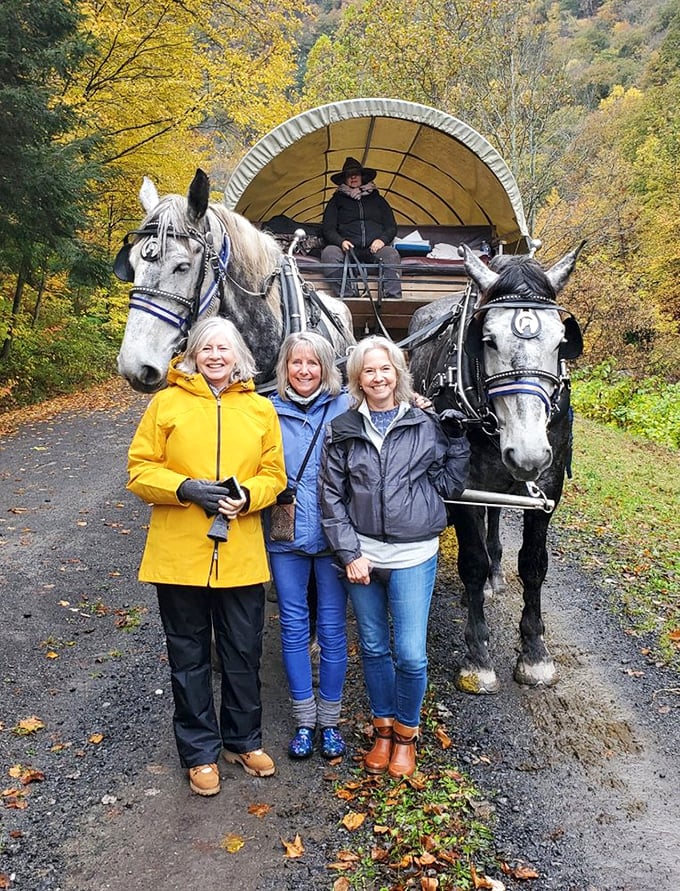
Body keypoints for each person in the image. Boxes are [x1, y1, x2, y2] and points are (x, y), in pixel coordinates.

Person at [127, 316, 287, 797]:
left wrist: (250, 496)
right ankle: (199, 752)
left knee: (243, 652)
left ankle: (243, 741)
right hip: (179, 554)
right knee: (190, 656)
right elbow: (139, 470)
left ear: (238, 356)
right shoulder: (166, 404)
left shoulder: (260, 409)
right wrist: (184, 488)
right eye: (207, 349)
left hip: (239, 553)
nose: (216, 356)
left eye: (224, 349)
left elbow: (273, 474)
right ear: (193, 355)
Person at [319, 336, 470, 778]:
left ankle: (407, 734)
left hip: (413, 556)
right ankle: (382, 729)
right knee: (372, 646)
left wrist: (458, 442)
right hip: (362, 557)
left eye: (385, 369)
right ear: (357, 379)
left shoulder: (425, 424)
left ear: (398, 374)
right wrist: (349, 552)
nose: (378, 377)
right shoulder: (344, 428)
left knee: (411, 654)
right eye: (369, 370)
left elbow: (449, 487)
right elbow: (331, 495)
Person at [265, 332, 351, 761]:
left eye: (313, 363)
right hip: (287, 538)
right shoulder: (266, 411)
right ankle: (304, 719)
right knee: (294, 627)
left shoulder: (347, 406)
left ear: (326, 367)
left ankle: (330, 721)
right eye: (296, 363)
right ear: (285, 367)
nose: (304, 370)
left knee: (333, 631)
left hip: (335, 540)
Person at [321, 156, 402, 299]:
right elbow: (328, 229)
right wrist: (341, 242)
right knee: (329, 254)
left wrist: (382, 240)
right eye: (348, 175)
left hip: (374, 248)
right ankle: (347, 297)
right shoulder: (336, 201)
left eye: (356, 174)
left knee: (391, 254)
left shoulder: (378, 200)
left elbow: (391, 227)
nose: (353, 177)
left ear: (362, 177)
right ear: (344, 179)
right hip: (347, 249)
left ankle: (392, 299)